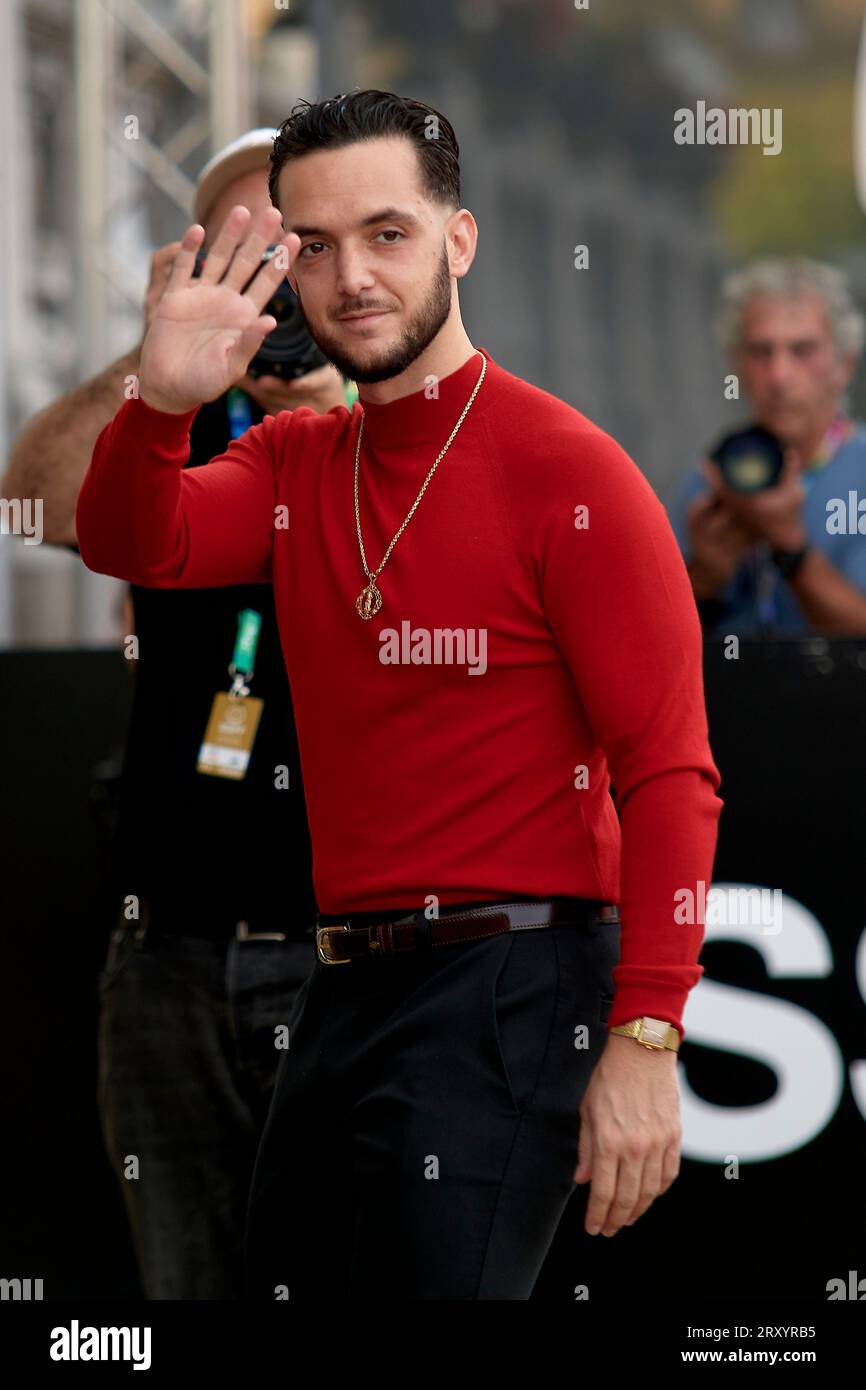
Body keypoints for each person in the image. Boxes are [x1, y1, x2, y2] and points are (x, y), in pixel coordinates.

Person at [74, 89, 723, 1301]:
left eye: (387, 234)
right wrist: (160, 401)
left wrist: (644, 1034)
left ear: (457, 240)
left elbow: (669, 771)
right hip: (347, 981)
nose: (349, 277)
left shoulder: (570, 471)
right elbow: (138, 542)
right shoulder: (290, 460)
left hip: (510, 978)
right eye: (311, 247)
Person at [2, 130, 348, 1299]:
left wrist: (329, 394)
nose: (273, 280)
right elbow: (23, 504)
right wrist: (155, 369)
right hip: (173, 950)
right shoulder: (173, 416)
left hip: (355, 956)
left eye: (296, 246)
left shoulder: (400, 416)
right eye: (244, 247)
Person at [671, 257, 866, 637]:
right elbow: (654, 645)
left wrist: (790, 548)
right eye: (761, 352)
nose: (779, 376)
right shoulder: (709, 480)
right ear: (737, 365)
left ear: (844, 364)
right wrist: (705, 578)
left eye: (802, 350)